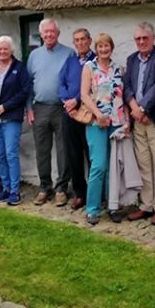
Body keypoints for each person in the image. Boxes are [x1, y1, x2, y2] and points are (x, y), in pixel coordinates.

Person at [123, 22, 155, 225]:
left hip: (154, 118)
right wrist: (134, 107)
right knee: (143, 163)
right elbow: (126, 86)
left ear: (153, 38)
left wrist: (142, 109)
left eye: (145, 38)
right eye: (138, 39)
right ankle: (146, 205)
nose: (141, 42)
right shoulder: (131, 59)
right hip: (138, 120)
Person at [26, 18, 74, 206]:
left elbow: (73, 81)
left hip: (61, 109)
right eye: (45, 32)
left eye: (52, 32)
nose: (48, 35)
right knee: (42, 150)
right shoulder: (34, 55)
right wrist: (29, 108)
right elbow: (28, 85)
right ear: (41, 34)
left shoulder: (69, 54)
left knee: (64, 150)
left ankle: (61, 188)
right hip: (39, 108)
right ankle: (44, 187)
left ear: (58, 33)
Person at [80, 33, 127, 225]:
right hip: (96, 122)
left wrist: (125, 122)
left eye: (106, 46)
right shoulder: (89, 67)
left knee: (113, 167)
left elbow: (121, 95)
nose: (103, 49)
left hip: (115, 122)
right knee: (98, 166)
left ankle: (112, 205)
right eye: (100, 46)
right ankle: (92, 209)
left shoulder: (118, 68)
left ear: (111, 47)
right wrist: (98, 115)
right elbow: (84, 95)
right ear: (96, 49)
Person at [0, 35, 31, 206]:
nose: (2, 52)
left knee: (10, 154)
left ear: (11, 50)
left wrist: (4, 107)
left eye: (5, 49)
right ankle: (5, 188)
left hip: (11, 118)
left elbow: (24, 92)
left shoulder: (19, 68)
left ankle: (15, 191)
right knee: (0, 155)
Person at [58, 28, 96, 210]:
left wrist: (77, 101)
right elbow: (61, 82)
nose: (80, 43)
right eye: (76, 40)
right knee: (72, 155)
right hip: (69, 115)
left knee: (91, 155)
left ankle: (95, 193)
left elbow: (95, 87)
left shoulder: (96, 61)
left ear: (89, 41)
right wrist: (67, 102)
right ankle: (80, 193)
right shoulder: (70, 61)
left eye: (83, 39)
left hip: (88, 116)